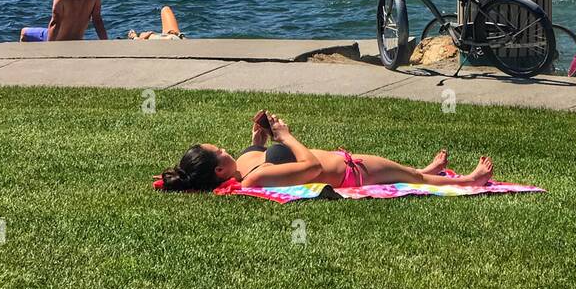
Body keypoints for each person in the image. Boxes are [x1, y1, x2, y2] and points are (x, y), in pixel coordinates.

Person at [156, 111, 495, 192]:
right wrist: (286, 137)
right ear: (219, 170)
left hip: (347, 161)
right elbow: (313, 167)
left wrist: (260, 135)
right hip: (352, 171)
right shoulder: (254, 178)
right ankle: (469, 181)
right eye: (218, 150)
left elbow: (256, 149)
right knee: (413, 178)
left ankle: (427, 171)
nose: (223, 146)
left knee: (409, 172)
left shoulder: (246, 163)